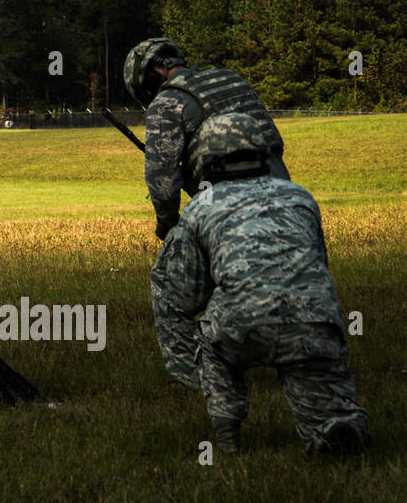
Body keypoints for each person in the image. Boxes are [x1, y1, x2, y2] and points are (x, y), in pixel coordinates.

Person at [151, 113, 370, 455]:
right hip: (314, 321)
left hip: (242, 328)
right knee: (318, 378)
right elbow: (318, 264)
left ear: (204, 158)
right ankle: (333, 426)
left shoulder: (200, 208)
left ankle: (227, 437)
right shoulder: (300, 197)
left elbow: (186, 296)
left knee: (212, 345)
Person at [123, 37, 288, 240]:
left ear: (146, 77)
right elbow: (274, 141)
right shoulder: (230, 78)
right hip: (283, 193)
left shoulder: (166, 102)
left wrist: (168, 228)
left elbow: (162, 182)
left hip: (226, 209)